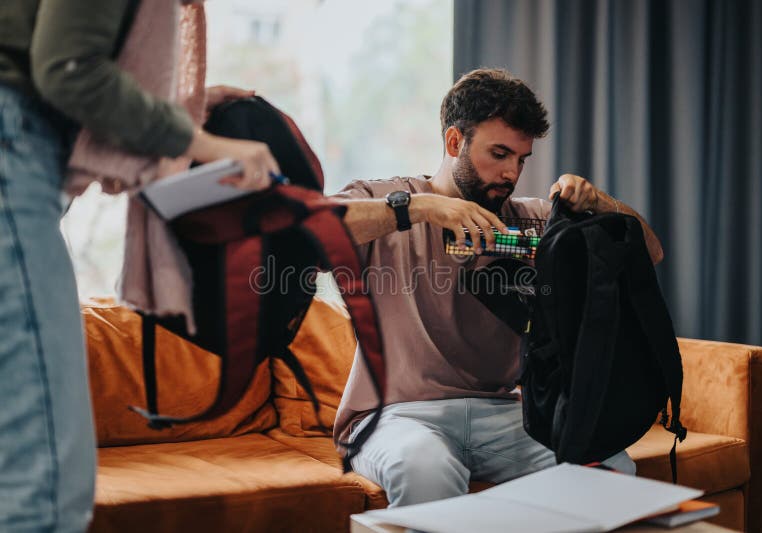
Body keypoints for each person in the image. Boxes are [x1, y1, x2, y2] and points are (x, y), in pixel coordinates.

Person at [0, 1, 279, 530]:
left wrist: (177, 109)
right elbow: (69, 70)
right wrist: (197, 139)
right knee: (47, 484)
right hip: (12, 159)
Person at [331, 68, 664, 507]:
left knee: (611, 471)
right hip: (395, 415)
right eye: (500, 153)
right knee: (425, 468)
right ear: (455, 143)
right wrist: (420, 209)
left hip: (504, 412)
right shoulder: (393, 201)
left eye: (521, 159)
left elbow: (650, 252)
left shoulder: (534, 219)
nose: (511, 173)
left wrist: (601, 204)